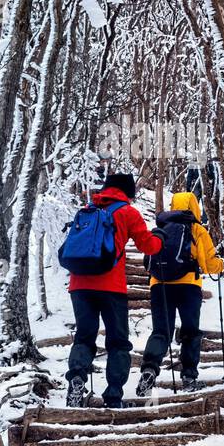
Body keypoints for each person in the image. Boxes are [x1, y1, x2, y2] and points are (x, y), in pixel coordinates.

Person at [65, 173, 162, 408]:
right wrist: (160, 238)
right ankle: (113, 395)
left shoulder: (88, 209)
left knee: (84, 337)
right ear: (128, 192)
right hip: (111, 287)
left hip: (79, 285)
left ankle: (77, 378)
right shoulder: (128, 212)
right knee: (118, 342)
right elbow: (148, 246)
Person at [137, 191, 224, 396]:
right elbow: (210, 264)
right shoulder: (197, 230)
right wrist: (221, 265)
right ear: (194, 206)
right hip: (188, 287)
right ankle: (189, 376)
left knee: (161, 331)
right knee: (190, 331)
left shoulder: (161, 228)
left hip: (160, 286)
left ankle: (149, 368)